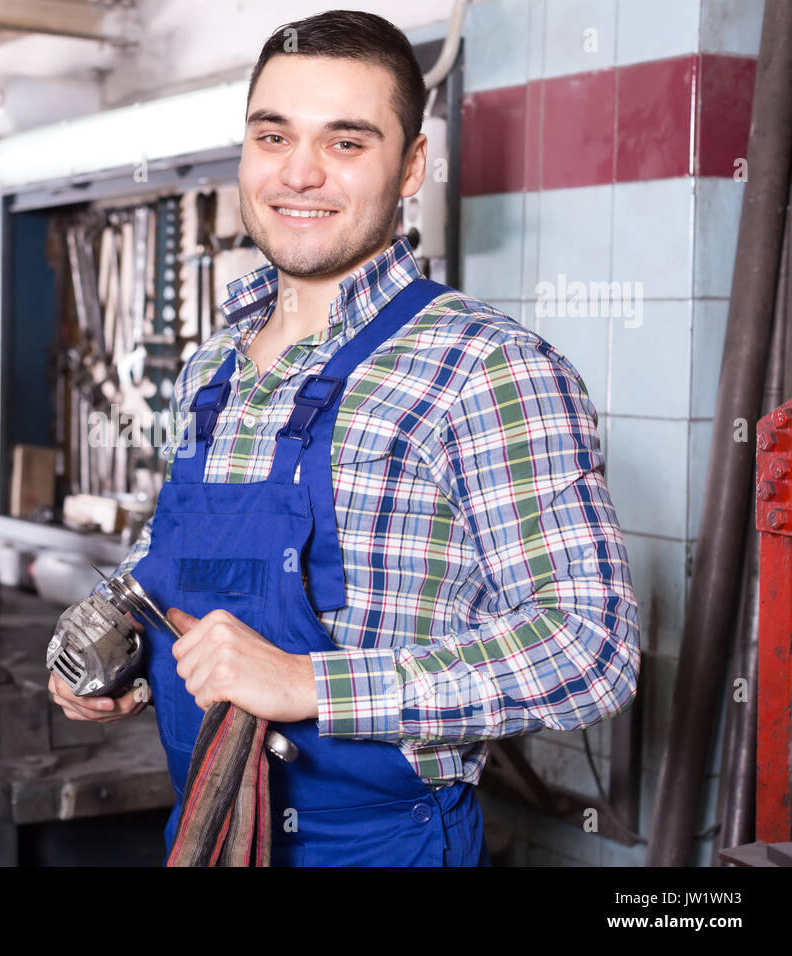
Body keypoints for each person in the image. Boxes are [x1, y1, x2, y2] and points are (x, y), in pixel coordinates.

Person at [49, 9, 640, 866]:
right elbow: (169, 563)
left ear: (411, 167)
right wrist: (113, 639)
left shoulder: (485, 367)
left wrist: (306, 683)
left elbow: (592, 646)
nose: (300, 173)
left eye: (347, 143)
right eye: (273, 135)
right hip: (208, 827)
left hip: (375, 845)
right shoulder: (212, 368)